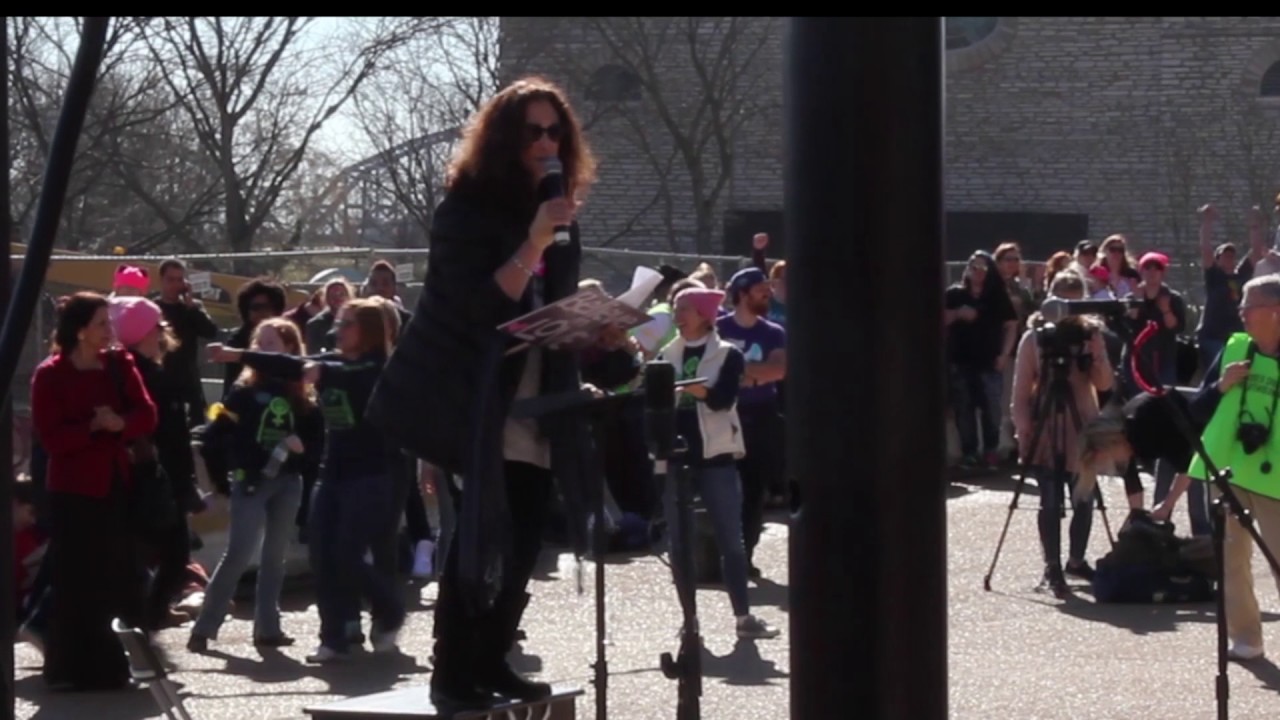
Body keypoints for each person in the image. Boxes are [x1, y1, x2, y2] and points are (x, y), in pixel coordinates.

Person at [366, 75, 598, 712]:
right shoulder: (467, 210)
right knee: (481, 534)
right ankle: (454, 668)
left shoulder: (557, 209)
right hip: (474, 395)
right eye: (533, 131)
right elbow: (475, 304)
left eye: (556, 131)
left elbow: (546, 301)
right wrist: (534, 241)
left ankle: (494, 657)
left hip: (534, 391)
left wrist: (595, 321)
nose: (546, 142)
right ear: (504, 138)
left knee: (524, 535)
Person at [210, 299, 403, 663]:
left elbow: (342, 373)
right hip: (333, 474)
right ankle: (336, 635)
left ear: (368, 331)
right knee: (322, 553)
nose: (338, 330)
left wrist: (320, 370)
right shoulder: (335, 360)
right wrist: (237, 354)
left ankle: (389, 605)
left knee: (347, 554)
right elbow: (292, 364)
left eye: (347, 324)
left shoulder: (377, 368)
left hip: (372, 475)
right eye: (338, 323)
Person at [30, 292, 158, 690]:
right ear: (80, 329)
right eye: (102, 323)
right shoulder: (50, 375)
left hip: (116, 483)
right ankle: (69, 667)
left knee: (119, 575)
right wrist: (91, 427)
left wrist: (120, 424)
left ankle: (118, 665)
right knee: (75, 579)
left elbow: (147, 413)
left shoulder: (120, 365)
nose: (109, 331)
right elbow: (52, 438)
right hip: (72, 490)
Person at [189, 318, 322, 652]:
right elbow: (218, 434)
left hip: (288, 483)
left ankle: (268, 627)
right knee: (238, 553)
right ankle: (205, 627)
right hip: (251, 482)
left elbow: (316, 443)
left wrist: (301, 451)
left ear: (291, 350)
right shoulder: (244, 391)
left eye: (272, 344)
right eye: (258, 343)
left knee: (275, 557)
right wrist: (220, 477)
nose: (263, 350)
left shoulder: (302, 395)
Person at [658, 286, 780, 639]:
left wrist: (697, 390)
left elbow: (723, 401)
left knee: (731, 539)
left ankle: (744, 618)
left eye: (685, 309)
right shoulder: (668, 354)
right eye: (676, 308)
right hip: (677, 459)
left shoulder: (728, 355)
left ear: (704, 315)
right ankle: (689, 621)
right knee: (678, 542)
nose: (677, 316)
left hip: (717, 457)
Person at [1186, 274, 1280, 660]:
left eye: (1249, 305)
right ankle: (1247, 639)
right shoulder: (1234, 349)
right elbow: (1198, 409)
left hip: (1275, 480)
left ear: (1275, 311)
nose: (1241, 312)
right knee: (1231, 559)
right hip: (1228, 472)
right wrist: (1221, 386)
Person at [1010, 271, 1113, 597]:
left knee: (1084, 498)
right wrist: (1024, 429)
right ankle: (1052, 566)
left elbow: (1105, 384)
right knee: (1050, 500)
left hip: (1081, 425)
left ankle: (1076, 559)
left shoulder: (1089, 334)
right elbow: (1021, 390)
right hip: (1046, 426)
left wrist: (1095, 355)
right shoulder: (1036, 338)